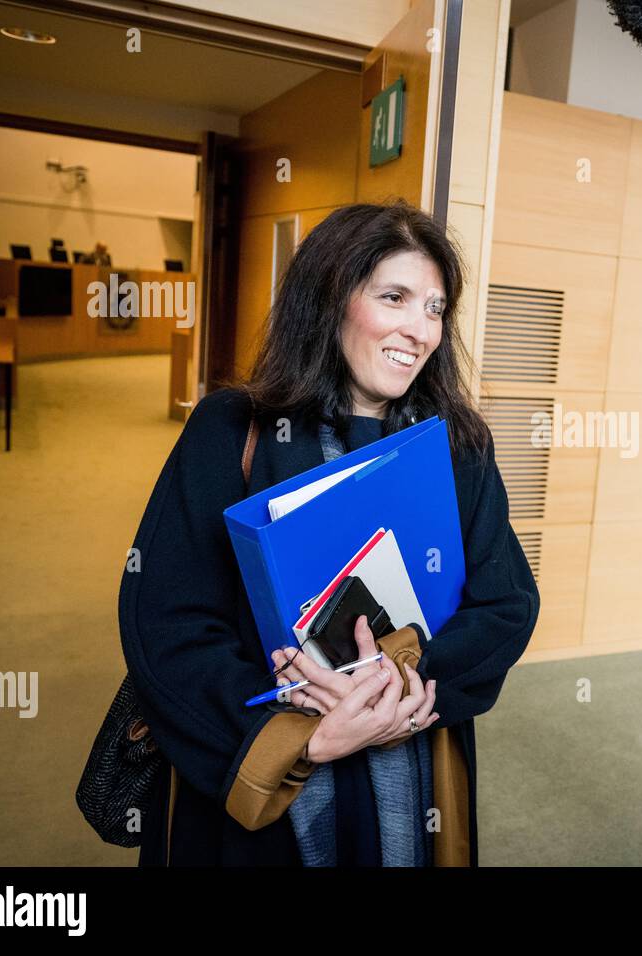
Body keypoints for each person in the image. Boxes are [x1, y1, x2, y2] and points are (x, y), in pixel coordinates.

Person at [120, 202, 539, 866]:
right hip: (263, 788)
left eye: (434, 308)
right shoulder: (231, 430)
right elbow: (166, 621)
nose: (419, 329)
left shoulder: (459, 447)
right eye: (394, 297)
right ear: (329, 299)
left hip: (413, 750)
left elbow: (507, 604)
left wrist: (401, 686)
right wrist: (300, 739)